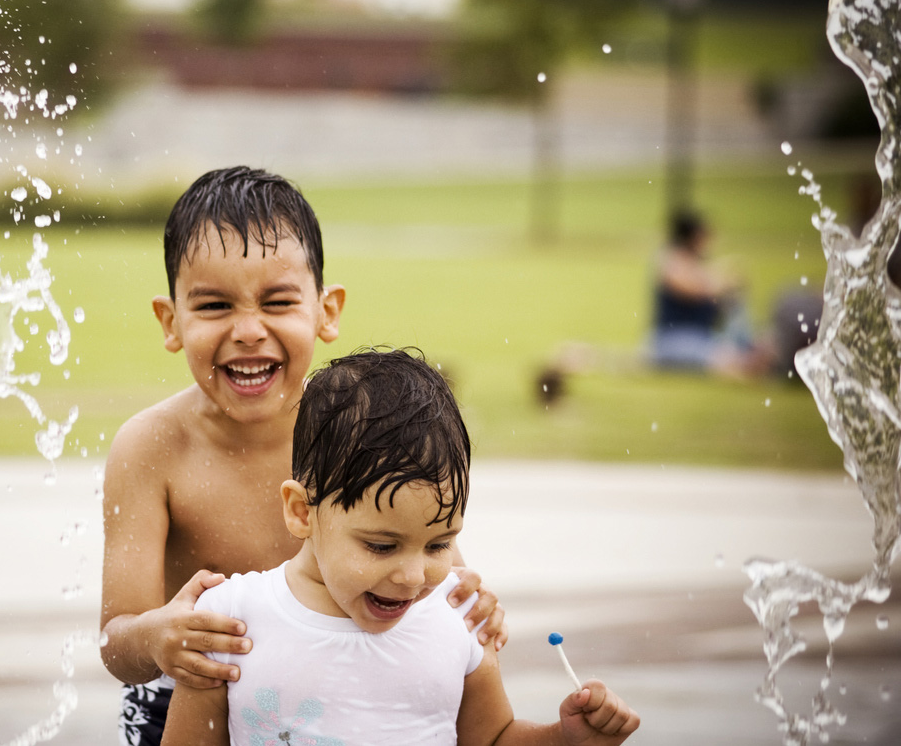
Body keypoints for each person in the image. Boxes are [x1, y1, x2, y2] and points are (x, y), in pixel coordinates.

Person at [100, 167, 509, 746]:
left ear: (326, 311)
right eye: (214, 305)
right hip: (187, 693)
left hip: (331, 691)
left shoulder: (356, 431)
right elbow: (115, 641)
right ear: (172, 322)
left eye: (277, 301)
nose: (248, 330)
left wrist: (473, 605)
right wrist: (156, 638)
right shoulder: (151, 448)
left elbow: (428, 553)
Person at [162, 348, 641, 745]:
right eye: (381, 546)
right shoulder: (229, 624)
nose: (414, 578)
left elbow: (492, 738)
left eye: (439, 545)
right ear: (302, 512)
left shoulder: (458, 616)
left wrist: (564, 738)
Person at [649, 209, 770, 377]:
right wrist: (724, 279)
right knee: (729, 359)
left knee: (756, 344)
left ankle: (750, 349)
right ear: (693, 237)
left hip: (703, 338)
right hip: (675, 340)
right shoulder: (672, 263)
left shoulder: (697, 264)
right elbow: (695, 288)